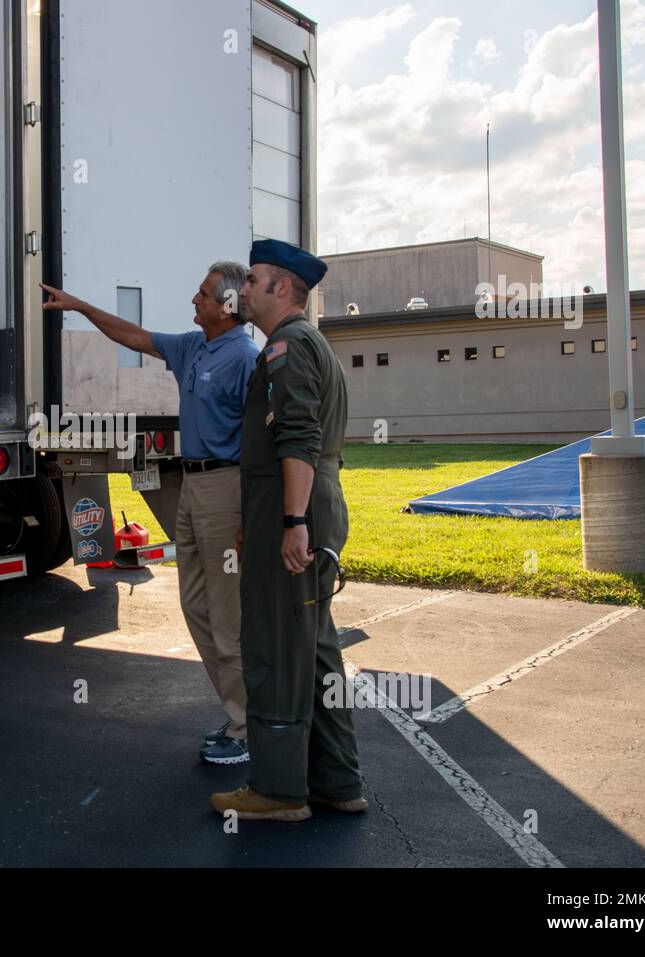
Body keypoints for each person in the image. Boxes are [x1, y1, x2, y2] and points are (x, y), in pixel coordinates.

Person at [41, 264, 259, 764]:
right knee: (196, 606)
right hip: (194, 484)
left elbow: (261, 444)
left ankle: (250, 730)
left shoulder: (246, 359)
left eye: (203, 294)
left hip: (227, 488)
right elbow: (134, 336)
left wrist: (249, 517)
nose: (193, 299)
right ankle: (239, 713)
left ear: (227, 306)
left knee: (228, 617)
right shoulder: (194, 346)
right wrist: (81, 307)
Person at [210, 239, 368, 821]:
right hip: (300, 505)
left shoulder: (287, 346)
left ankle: (277, 790)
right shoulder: (306, 342)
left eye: (252, 280)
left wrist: (292, 522)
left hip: (293, 507)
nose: (243, 289)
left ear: (281, 288)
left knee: (275, 645)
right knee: (314, 648)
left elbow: (298, 435)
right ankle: (334, 780)